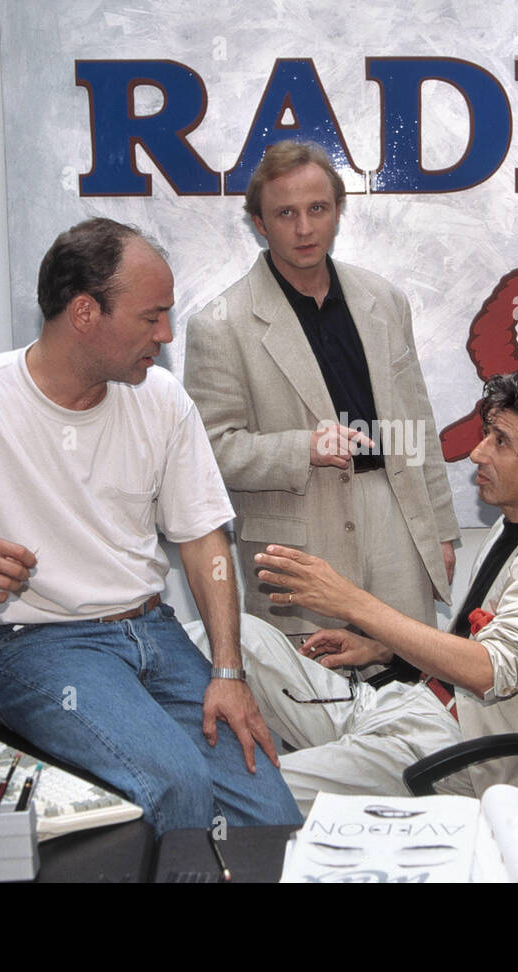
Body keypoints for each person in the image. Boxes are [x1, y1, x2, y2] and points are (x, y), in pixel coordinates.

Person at [0, 218, 302, 835]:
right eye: (151, 317)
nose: (167, 334)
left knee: (272, 817)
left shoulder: (163, 399)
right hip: (40, 647)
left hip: (156, 633)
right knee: (177, 785)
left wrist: (228, 672)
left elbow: (204, 541)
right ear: (85, 312)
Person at [206, 371, 518, 812]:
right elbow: (472, 643)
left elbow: (489, 671)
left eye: (499, 441)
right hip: (412, 704)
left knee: (250, 794)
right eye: (485, 435)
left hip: (464, 751)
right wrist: (382, 650)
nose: (477, 453)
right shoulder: (516, 523)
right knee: (238, 638)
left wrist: (351, 602)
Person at [183, 140, 460, 680]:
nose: (304, 229)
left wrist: (440, 530)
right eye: (285, 213)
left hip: (396, 513)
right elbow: (209, 452)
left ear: (338, 211)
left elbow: (417, 423)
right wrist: (301, 447)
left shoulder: (384, 299)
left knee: (411, 678)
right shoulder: (219, 323)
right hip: (299, 532)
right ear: (260, 224)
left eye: (317, 209)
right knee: (316, 700)